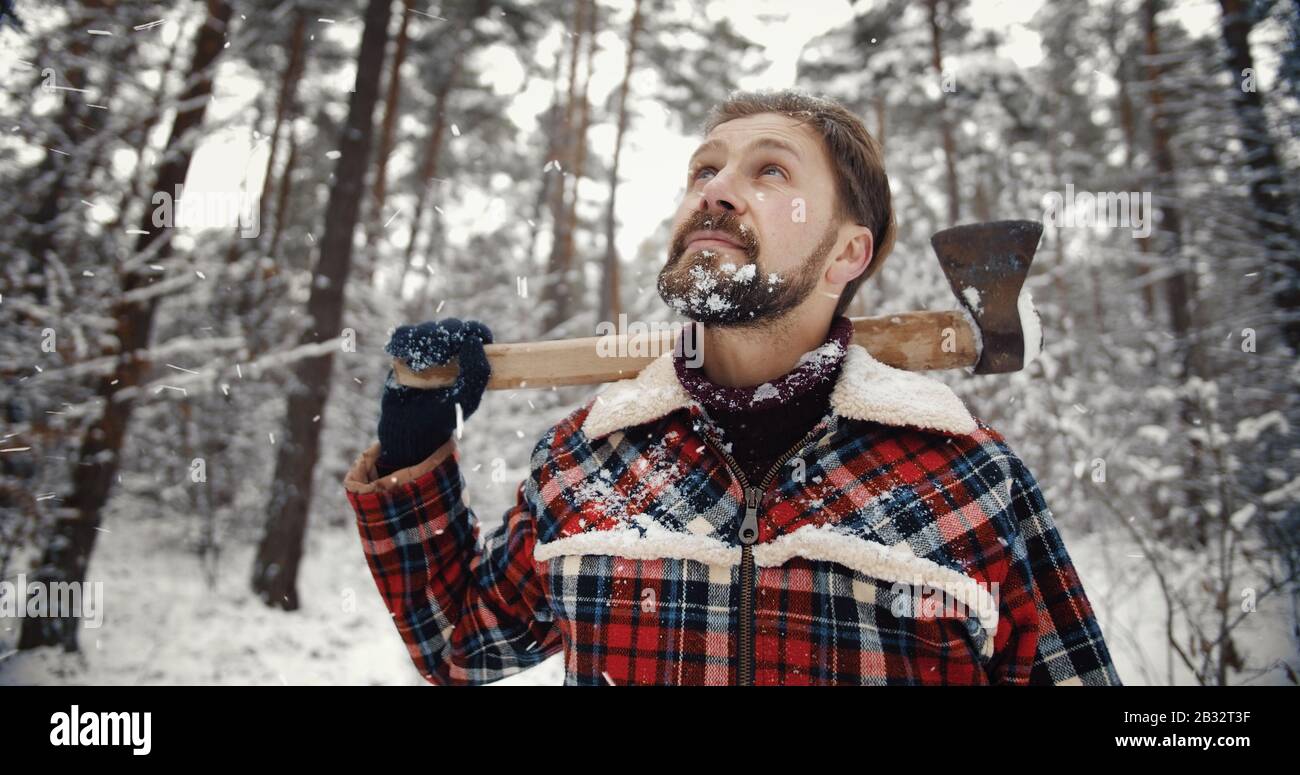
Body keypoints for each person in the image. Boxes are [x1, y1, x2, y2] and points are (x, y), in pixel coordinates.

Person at [343, 88, 1122, 686]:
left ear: (848, 253)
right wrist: (416, 442)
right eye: (704, 170)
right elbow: (458, 646)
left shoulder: (969, 481)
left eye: (769, 170)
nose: (714, 190)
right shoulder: (585, 460)